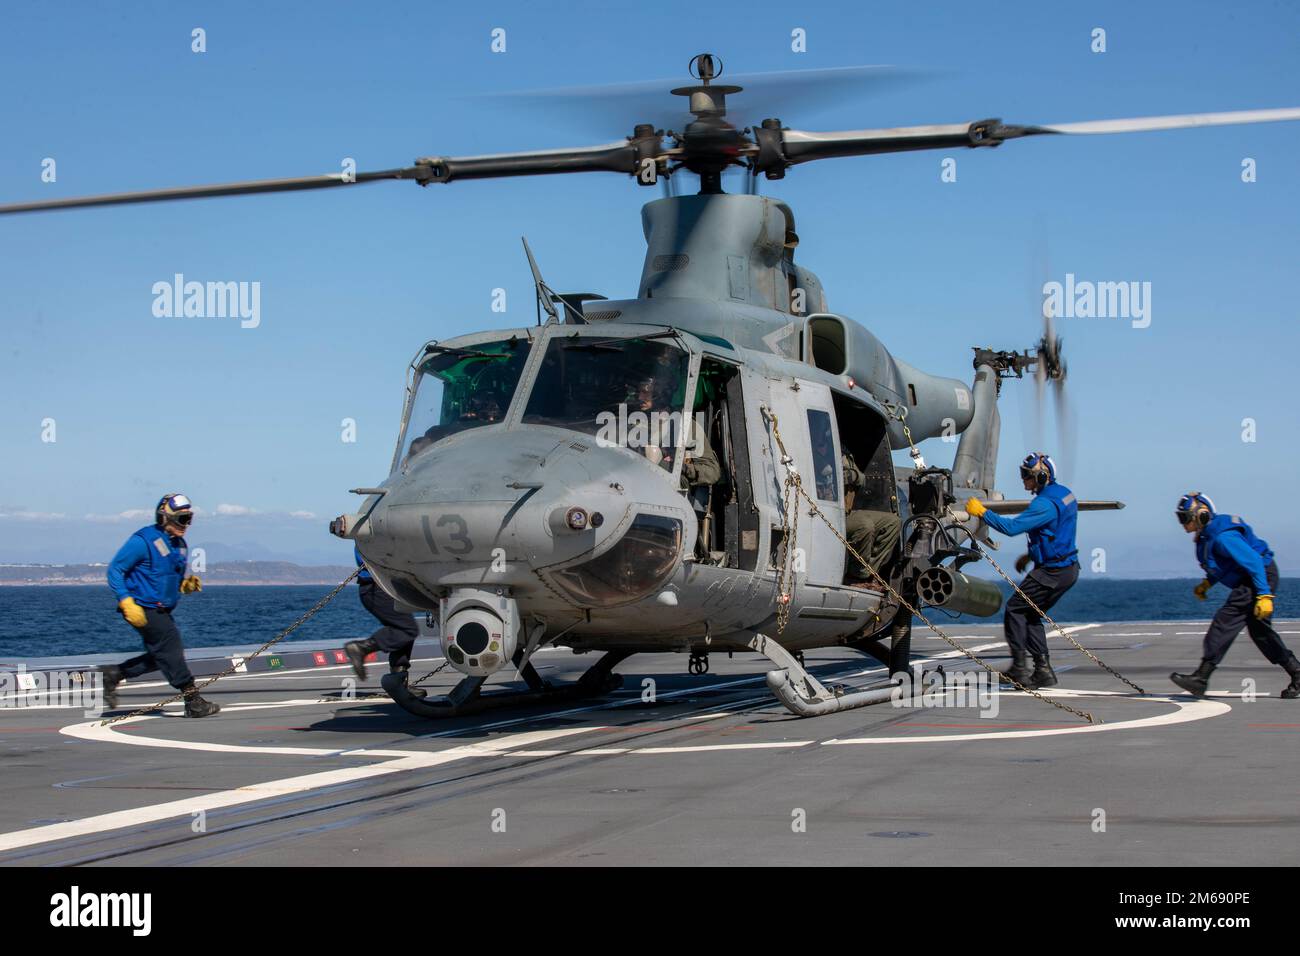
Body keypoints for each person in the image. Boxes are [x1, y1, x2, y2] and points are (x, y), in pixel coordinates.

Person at [99, 494, 220, 717]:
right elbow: (115, 570)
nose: (186, 525)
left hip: (162, 608)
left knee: (163, 655)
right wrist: (125, 600)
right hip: (142, 607)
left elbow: (168, 576)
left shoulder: (180, 545)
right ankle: (192, 700)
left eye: (188, 519)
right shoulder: (143, 541)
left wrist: (184, 585)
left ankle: (114, 674)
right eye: (182, 519)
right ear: (165, 518)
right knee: (171, 649)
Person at [1169, 493, 1300, 698]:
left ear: (1201, 515)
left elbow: (1254, 562)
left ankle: (1201, 678)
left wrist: (1264, 595)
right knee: (1261, 633)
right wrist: (1207, 583)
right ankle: (1298, 674)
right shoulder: (1207, 536)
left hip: (1258, 576)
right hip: (1255, 577)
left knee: (1225, 621)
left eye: (1184, 517)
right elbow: (1224, 566)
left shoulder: (1223, 537)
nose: (1181, 523)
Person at [965, 452, 1078, 689]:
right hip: (1067, 568)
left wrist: (982, 511)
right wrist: (1032, 555)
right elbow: (1057, 531)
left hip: (1052, 571)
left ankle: (1020, 668)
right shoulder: (1064, 494)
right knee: (1031, 614)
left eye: (1027, 475)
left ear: (1042, 477)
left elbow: (1012, 527)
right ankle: (1043, 671)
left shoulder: (1044, 504)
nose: (1023, 479)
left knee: (1015, 609)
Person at [345, 545, 426, 698]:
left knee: (404, 629)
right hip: (378, 587)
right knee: (407, 630)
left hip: (382, 586)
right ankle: (362, 648)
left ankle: (399, 683)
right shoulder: (374, 529)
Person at [843, 454, 900, 590]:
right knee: (864, 525)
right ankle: (854, 576)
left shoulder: (843, 453)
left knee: (892, 522)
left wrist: (849, 476)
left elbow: (861, 479)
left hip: (846, 512)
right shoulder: (813, 449)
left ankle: (867, 573)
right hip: (825, 512)